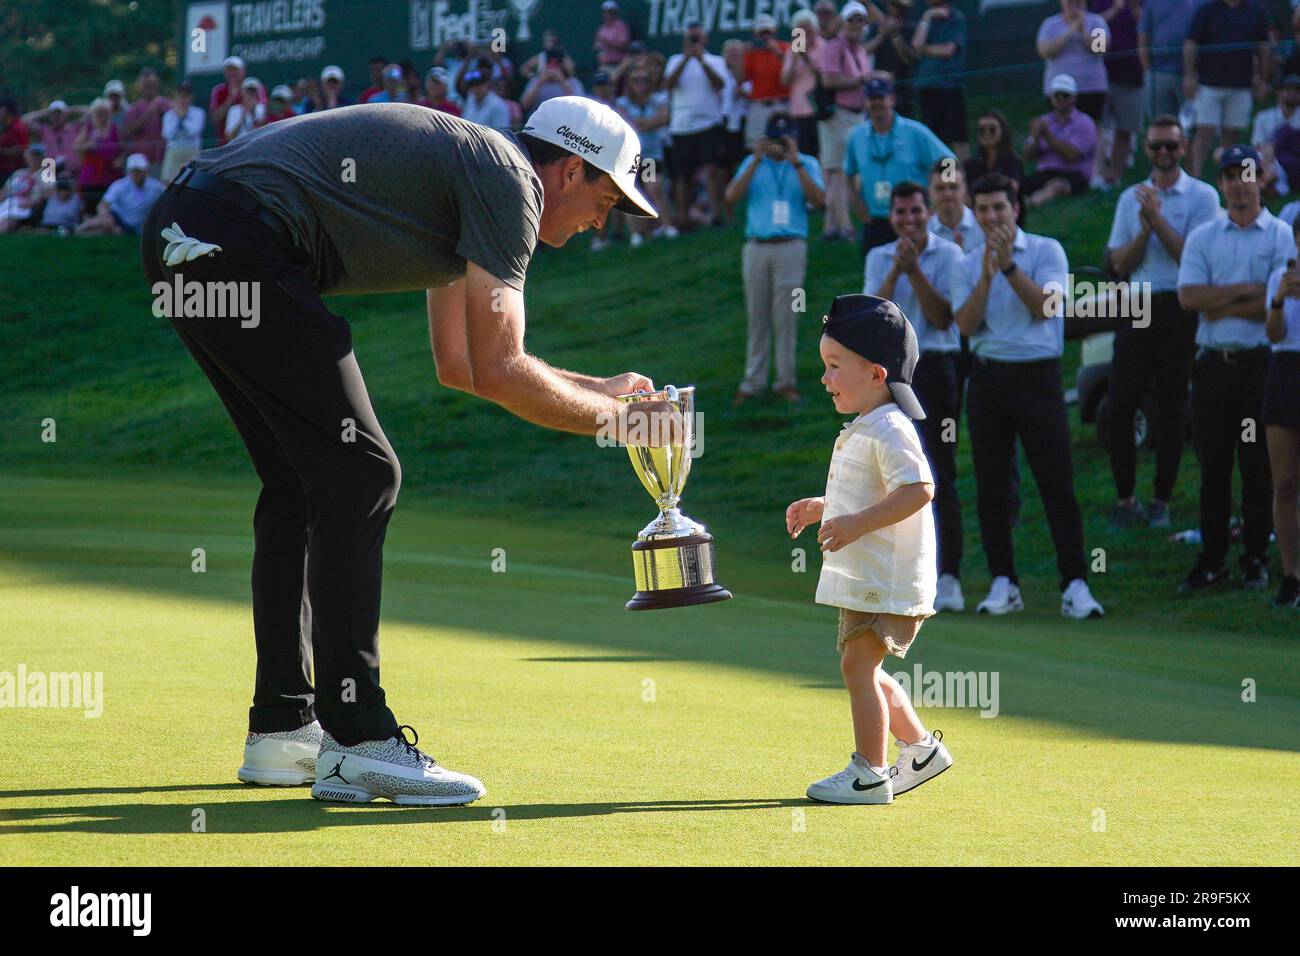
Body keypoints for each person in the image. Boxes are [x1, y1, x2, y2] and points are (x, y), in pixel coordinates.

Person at [142, 96, 665, 806]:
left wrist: (597, 389)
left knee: (306, 480)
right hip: (229, 240)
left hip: (188, 233)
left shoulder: (476, 180)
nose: (605, 220)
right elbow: (502, 368)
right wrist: (623, 424)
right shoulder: (511, 181)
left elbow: (465, 365)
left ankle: (282, 729)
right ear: (570, 170)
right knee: (362, 474)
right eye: (608, 200)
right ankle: (358, 738)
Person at [790, 294, 952, 805]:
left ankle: (869, 773)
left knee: (857, 668)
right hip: (869, 578)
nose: (825, 378)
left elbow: (919, 488)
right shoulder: (866, 425)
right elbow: (869, 490)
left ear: (877, 373)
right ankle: (921, 750)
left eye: (834, 367)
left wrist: (856, 523)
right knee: (863, 666)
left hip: (888, 578)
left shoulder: (890, 426)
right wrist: (824, 506)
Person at [952, 173, 1105, 619]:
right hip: (988, 378)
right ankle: (1004, 581)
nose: (992, 216)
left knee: (1056, 480)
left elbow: (1048, 307)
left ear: (1016, 208)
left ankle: (1075, 583)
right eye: (982, 209)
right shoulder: (967, 263)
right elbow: (964, 325)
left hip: (1038, 377)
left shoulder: (1045, 250)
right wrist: (986, 274)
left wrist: (1008, 268)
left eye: (999, 207)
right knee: (992, 485)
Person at [1176, 145, 1291, 594]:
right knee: (1213, 468)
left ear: (1260, 178)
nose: (1237, 183)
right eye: (1228, 176)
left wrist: (1221, 297)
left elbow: (1275, 301)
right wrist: (1248, 292)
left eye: (1245, 174)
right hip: (1213, 367)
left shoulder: (1279, 234)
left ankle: (1256, 558)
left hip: (1259, 366)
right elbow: (1188, 298)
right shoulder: (1205, 236)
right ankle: (1213, 559)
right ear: (1221, 182)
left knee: (1257, 467)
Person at [1104, 115, 1222, 531]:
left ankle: (1161, 499)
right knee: (1120, 405)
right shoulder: (1130, 198)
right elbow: (1119, 262)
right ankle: (1125, 499)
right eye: (1156, 146)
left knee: (1172, 406)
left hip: (1178, 304)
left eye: (1171, 146)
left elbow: (1196, 259)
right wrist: (1144, 228)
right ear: (1146, 149)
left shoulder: (1204, 196)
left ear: (1184, 147)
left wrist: (1158, 220)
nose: (1163, 153)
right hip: (1137, 302)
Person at [865, 182, 966, 610]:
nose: (909, 220)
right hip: (889, 376)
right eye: (901, 213)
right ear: (892, 217)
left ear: (929, 213)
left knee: (939, 470)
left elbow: (944, 317)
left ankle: (950, 575)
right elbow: (873, 320)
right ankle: (896, 573)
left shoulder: (951, 255)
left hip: (936, 368)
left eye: (916, 212)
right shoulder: (877, 256)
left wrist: (916, 271)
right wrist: (896, 269)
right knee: (889, 474)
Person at [725, 112, 825, 406]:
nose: (778, 146)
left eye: (784, 139)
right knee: (757, 316)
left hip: (792, 247)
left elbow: (820, 200)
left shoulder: (808, 164)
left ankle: (786, 380)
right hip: (757, 246)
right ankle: (752, 381)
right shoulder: (753, 163)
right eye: (774, 139)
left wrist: (796, 161)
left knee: (788, 316)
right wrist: (755, 159)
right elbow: (731, 196)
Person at [844, 76, 953, 256]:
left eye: (881, 98)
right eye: (872, 99)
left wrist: (944, 195)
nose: (877, 103)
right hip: (876, 219)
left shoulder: (914, 131)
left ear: (892, 99)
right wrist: (857, 202)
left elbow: (949, 161)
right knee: (877, 277)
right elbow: (848, 171)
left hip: (912, 219)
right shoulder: (856, 136)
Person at [1183, 0, 1271, 178]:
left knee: (1231, 133)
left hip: (1241, 84)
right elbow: (1191, 43)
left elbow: (1263, 46)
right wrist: (1190, 76)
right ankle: (1195, 177)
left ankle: (1228, 176)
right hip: (1209, 83)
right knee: (1204, 131)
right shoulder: (1206, 9)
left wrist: (1263, 78)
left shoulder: (1255, 10)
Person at [1262, 220, 1300, 608]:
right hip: (1285, 371)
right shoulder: (1280, 276)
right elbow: (1274, 334)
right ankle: (1291, 574)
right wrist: (1278, 299)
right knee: (1285, 483)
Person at [664, 22, 730, 232]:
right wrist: (686, 59)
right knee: (683, 175)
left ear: (705, 40)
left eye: (697, 38)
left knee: (711, 170)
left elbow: (720, 84)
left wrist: (701, 60)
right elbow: (668, 84)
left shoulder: (715, 61)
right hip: (682, 126)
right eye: (690, 38)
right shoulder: (675, 60)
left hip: (709, 122)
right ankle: (683, 218)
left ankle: (716, 214)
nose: (694, 42)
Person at [818, 2, 875, 241]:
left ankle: (829, 228)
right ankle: (846, 227)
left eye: (860, 20)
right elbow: (829, 80)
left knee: (840, 173)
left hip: (857, 115)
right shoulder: (833, 46)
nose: (856, 24)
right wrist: (861, 80)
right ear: (842, 21)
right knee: (838, 173)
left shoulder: (860, 49)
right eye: (851, 19)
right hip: (838, 115)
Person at [1038, 0, 1110, 189]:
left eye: (1078, 2)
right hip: (1058, 88)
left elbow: (1099, 49)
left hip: (1091, 85)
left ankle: (1096, 174)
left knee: (1095, 128)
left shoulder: (1098, 22)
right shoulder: (1050, 24)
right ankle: (1060, 169)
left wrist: (1083, 29)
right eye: (1070, 2)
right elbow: (1046, 51)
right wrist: (1070, 29)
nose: (1074, 6)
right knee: (1059, 126)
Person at [614, 66, 673, 244]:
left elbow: (662, 119)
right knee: (630, 192)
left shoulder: (658, 99)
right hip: (629, 157)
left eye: (644, 80)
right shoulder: (622, 103)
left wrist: (642, 124)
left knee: (652, 187)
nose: (640, 84)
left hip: (649, 156)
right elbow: (627, 124)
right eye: (635, 80)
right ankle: (637, 234)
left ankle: (668, 227)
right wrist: (649, 123)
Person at [1022, 73, 1098, 210]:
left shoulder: (1084, 123)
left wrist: (1047, 136)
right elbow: (1028, 156)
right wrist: (1035, 137)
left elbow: (1072, 155)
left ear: (1074, 97)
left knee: (1056, 185)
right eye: (1057, 95)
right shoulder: (1043, 121)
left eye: (1065, 95)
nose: (1061, 98)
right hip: (1044, 172)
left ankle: (1031, 203)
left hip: (1074, 174)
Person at [1092, 0, 1144, 189]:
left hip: (1132, 74)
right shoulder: (1099, 2)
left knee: (1125, 129)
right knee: (1098, 129)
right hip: (1101, 76)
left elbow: (1147, 28)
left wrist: (1134, 8)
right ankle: (1096, 175)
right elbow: (1096, 43)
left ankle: (1115, 177)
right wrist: (1115, 10)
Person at [911, 0, 968, 159]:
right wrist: (927, 16)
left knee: (956, 138)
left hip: (951, 87)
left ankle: (962, 180)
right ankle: (943, 179)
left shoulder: (956, 18)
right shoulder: (926, 19)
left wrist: (924, 49)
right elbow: (916, 44)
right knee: (934, 140)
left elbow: (948, 49)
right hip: (928, 88)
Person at [1139, 0, 1201, 119]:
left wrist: (1192, 75)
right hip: (1158, 73)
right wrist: (1148, 71)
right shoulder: (1152, 2)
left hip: (1194, 76)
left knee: (1192, 127)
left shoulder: (1204, 2)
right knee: (1160, 124)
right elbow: (1143, 36)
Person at [76, 152, 162, 235]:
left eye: (139, 171)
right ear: (129, 172)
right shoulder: (120, 185)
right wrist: (105, 216)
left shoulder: (156, 187)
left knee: (115, 232)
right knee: (103, 223)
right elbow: (103, 205)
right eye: (134, 171)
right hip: (119, 217)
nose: (136, 174)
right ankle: (79, 229)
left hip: (141, 225)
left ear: (146, 171)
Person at [964, 109, 1024, 222]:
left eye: (992, 129)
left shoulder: (1012, 160)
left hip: (1006, 216)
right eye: (982, 130)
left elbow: (1012, 188)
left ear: (1003, 131)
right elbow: (965, 195)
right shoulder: (972, 163)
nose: (987, 132)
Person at [740, 15, 791, 149]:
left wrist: (778, 53)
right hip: (759, 105)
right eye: (761, 33)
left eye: (768, 32)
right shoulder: (751, 53)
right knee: (756, 146)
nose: (765, 36)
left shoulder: (786, 48)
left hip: (783, 103)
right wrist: (740, 56)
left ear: (774, 32)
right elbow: (741, 79)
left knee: (786, 144)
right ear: (755, 35)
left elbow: (795, 73)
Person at [782, 9, 826, 157]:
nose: (806, 33)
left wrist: (804, 55)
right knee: (801, 154)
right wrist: (795, 57)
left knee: (819, 154)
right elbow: (785, 81)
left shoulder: (823, 46)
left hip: (817, 110)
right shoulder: (792, 49)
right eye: (801, 30)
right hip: (797, 111)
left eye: (808, 29)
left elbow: (821, 74)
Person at [865, 0, 917, 117]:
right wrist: (881, 35)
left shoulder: (911, 27)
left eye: (900, 6)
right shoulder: (876, 27)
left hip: (903, 93)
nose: (897, 8)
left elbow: (909, 60)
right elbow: (863, 52)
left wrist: (895, 35)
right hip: (878, 90)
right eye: (893, 4)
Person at [1251, 74, 1300, 195]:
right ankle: (1264, 178)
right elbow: (1257, 146)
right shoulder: (1263, 117)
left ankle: (1262, 177)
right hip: (1269, 160)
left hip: (1292, 162)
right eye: (1288, 89)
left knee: (1285, 131)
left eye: (1297, 90)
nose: (1292, 94)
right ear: (1279, 92)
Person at [74, 98, 122, 216]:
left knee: (109, 206)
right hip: (91, 175)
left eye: (105, 113)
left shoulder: (115, 129)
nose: (103, 116)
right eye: (99, 113)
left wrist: (120, 160)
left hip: (110, 173)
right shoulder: (88, 128)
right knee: (90, 205)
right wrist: (87, 146)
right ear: (93, 113)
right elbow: (76, 147)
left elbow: (123, 149)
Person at [122, 67, 171, 177]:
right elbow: (129, 131)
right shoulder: (134, 108)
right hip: (141, 163)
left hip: (164, 159)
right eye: (146, 85)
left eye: (152, 84)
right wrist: (149, 113)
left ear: (157, 83)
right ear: (140, 85)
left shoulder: (168, 104)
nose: (150, 87)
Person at [928, 158, 980, 252]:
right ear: (929, 192)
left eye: (953, 187)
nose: (947, 193)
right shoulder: (924, 231)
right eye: (940, 188)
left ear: (965, 189)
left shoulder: (983, 225)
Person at [210, 57, 263, 146]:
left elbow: (263, 117)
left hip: (255, 145)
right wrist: (231, 98)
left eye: (235, 70)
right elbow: (215, 118)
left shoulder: (256, 87)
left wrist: (251, 110)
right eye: (229, 70)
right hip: (226, 145)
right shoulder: (219, 91)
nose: (232, 73)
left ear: (243, 71)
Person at [24, 100, 85, 175]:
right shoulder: (44, 130)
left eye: (60, 113)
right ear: (50, 115)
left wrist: (71, 109)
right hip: (50, 173)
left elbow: (90, 112)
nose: (57, 116)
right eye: (54, 113)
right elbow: (25, 119)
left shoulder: (74, 128)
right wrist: (46, 111)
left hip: (73, 172)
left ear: (66, 114)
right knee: (46, 186)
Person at [161, 82, 206, 183]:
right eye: (181, 95)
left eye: (186, 95)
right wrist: (178, 117)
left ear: (191, 97)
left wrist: (182, 117)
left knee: (194, 183)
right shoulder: (169, 115)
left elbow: (192, 132)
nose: (183, 98)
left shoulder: (199, 112)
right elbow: (168, 134)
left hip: (192, 152)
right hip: (174, 151)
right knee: (169, 183)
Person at [0, 145, 50, 233]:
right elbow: (5, 189)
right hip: (8, 202)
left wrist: (33, 202)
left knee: (6, 222)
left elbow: (48, 194)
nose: (33, 159)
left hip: (25, 206)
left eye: (36, 156)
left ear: (42, 158)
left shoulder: (46, 175)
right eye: (31, 156)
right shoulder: (19, 172)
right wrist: (3, 196)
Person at [0, 99, 31, 180]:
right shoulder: (6, 129)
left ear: (6, 111)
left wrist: (2, 151)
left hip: (12, 173)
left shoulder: (18, 128)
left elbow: (23, 149)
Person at [595, 1, 632, 69]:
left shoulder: (621, 27)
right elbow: (598, 46)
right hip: (604, 66)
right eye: (604, 12)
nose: (606, 14)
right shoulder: (602, 28)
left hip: (618, 66)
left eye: (609, 12)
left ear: (615, 13)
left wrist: (606, 42)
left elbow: (624, 47)